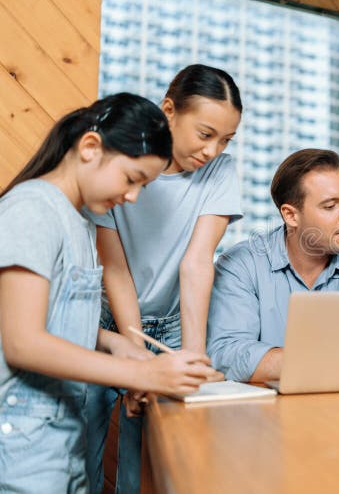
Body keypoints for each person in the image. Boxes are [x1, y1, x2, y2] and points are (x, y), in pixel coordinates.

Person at [0, 94, 220, 493]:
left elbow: (56, 317)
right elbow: (22, 342)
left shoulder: (80, 222)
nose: (132, 197)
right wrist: (144, 372)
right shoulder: (31, 210)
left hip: (59, 443)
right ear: (90, 147)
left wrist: (115, 343)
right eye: (131, 179)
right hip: (19, 447)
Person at [85, 64, 243, 493]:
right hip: (107, 323)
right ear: (169, 110)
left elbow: (196, 263)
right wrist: (136, 356)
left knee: (147, 466)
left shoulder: (219, 171)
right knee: (83, 455)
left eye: (226, 140)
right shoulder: (121, 163)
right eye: (205, 134)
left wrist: (192, 359)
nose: (212, 150)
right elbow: (114, 268)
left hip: (173, 327)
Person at [207, 149, 339, 382]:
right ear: (291, 215)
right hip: (268, 405)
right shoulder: (241, 266)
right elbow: (227, 355)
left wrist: (291, 362)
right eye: (330, 206)